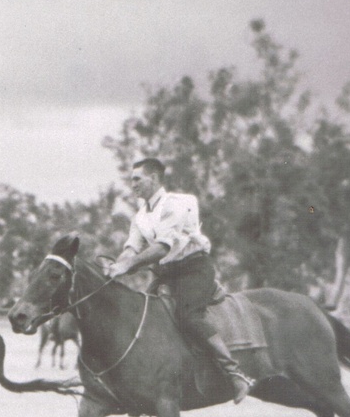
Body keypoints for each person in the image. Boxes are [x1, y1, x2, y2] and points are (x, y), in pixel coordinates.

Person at [103, 158, 255, 403]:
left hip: (194, 269)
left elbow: (163, 247)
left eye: (137, 179)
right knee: (144, 316)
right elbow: (131, 249)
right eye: (132, 180)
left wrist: (128, 266)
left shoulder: (178, 203)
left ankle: (235, 373)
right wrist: (116, 265)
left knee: (188, 316)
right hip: (167, 275)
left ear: (154, 178)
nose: (133, 185)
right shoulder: (139, 217)